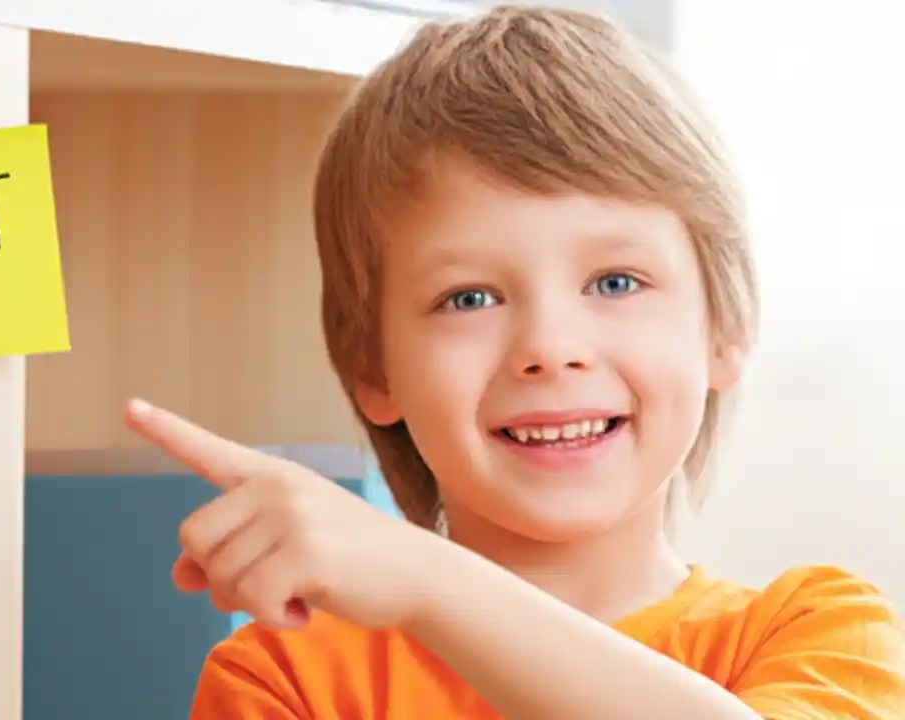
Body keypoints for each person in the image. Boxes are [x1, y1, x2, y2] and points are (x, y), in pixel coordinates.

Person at [124, 5, 905, 719]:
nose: (549, 348)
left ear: (724, 330)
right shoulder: (286, 679)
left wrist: (427, 582)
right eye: (469, 298)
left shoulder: (820, 632)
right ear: (373, 367)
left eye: (616, 282)